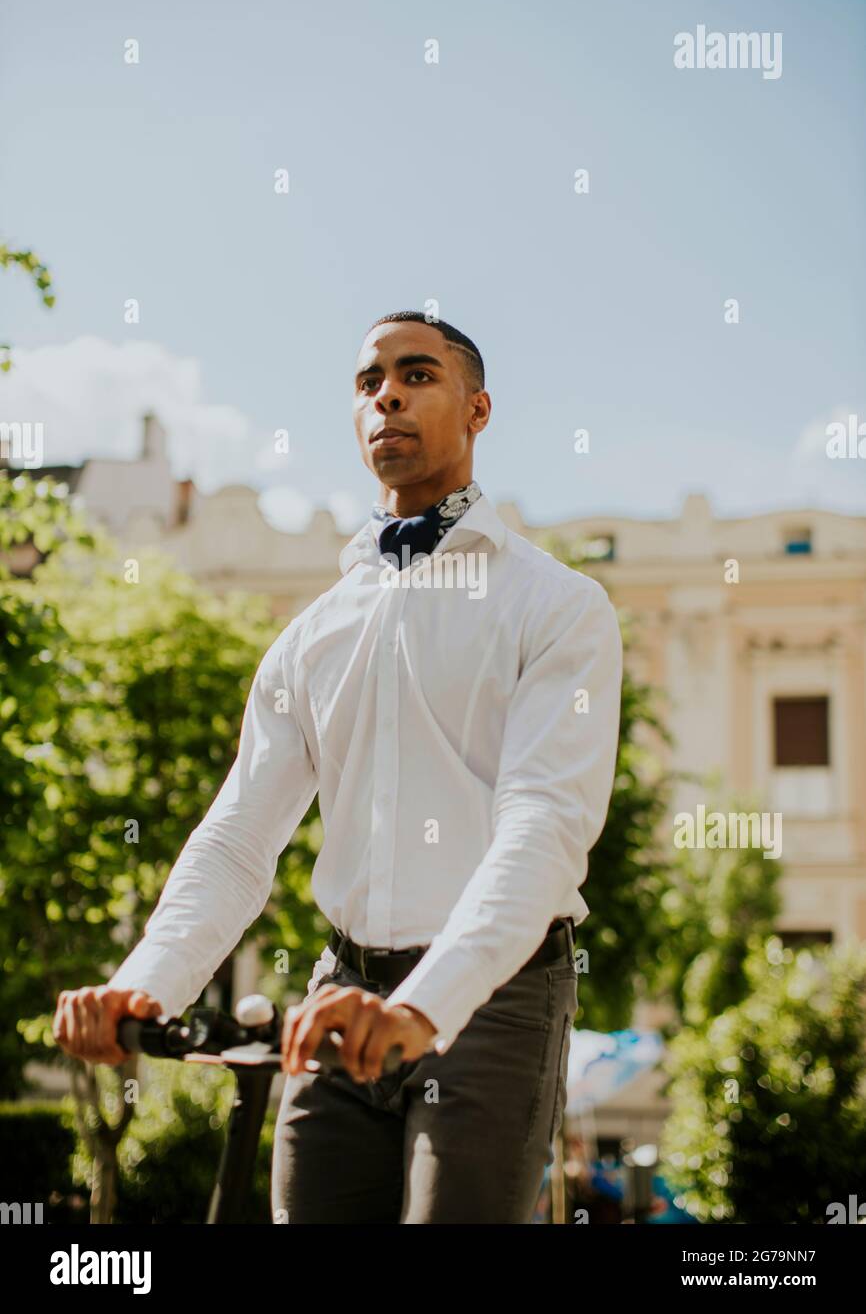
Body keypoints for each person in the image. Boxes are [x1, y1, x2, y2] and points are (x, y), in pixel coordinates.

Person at [53, 310, 623, 1224]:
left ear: (478, 410)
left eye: (417, 374)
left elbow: (545, 826)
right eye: (368, 382)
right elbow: (239, 835)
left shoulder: (558, 605)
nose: (387, 393)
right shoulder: (309, 636)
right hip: (342, 992)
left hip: (498, 999)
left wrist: (423, 1009)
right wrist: (143, 985)